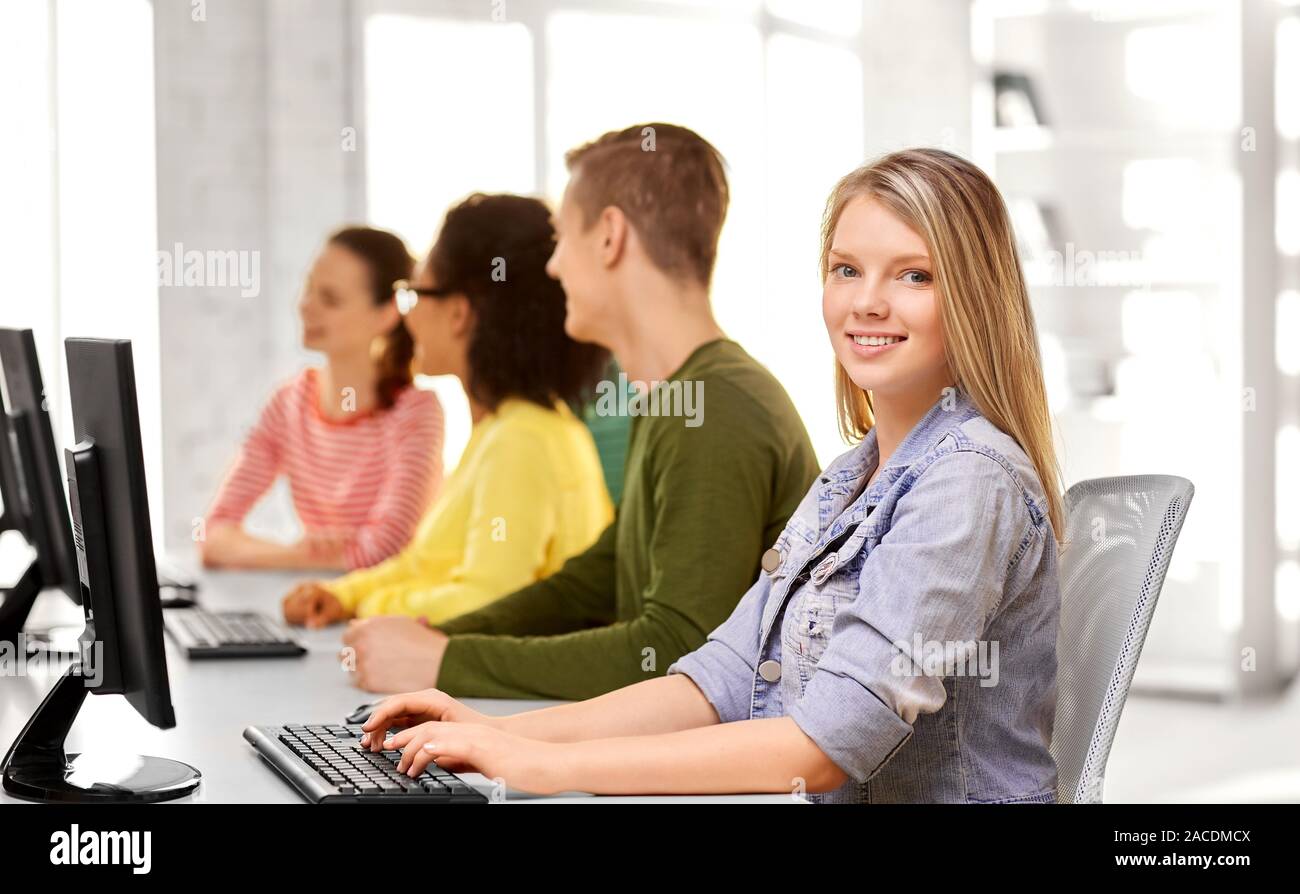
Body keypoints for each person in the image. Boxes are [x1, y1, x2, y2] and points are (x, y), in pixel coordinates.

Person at [354, 148, 1064, 804]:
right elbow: (720, 676)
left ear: (973, 294)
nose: (867, 301)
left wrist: (543, 767)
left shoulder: (967, 480)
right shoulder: (853, 475)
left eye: (914, 275)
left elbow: (826, 746)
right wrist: (505, 734)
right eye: (847, 269)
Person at [340, 123, 821, 698]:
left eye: (564, 238)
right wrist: (436, 637)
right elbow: (591, 582)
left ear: (609, 237)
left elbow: (676, 649)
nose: (553, 267)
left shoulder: (712, 408)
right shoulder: (675, 397)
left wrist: (445, 662)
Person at [282, 194, 613, 628]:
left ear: (458, 314)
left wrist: (366, 607)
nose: (408, 318)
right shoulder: (502, 428)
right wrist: (342, 594)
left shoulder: (521, 440)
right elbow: (425, 564)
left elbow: (487, 600)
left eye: (415, 293)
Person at [200, 227, 443, 571]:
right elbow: (212, 534)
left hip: (388, 610)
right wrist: (295, 556)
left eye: (329, 298)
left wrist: (293, 558)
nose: (305, 306)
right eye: (309, 288)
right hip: (315, 605)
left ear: (387, 313)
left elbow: (386, 549)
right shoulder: (288, 404)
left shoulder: (416, 413)